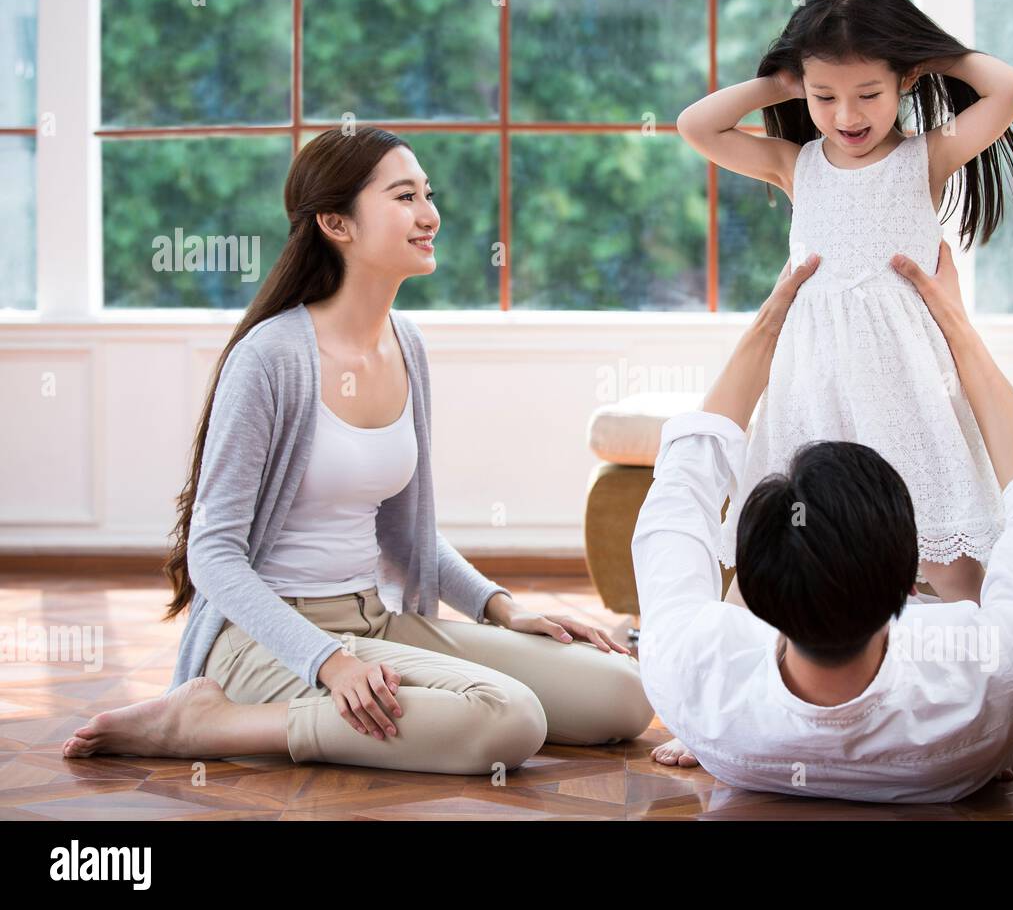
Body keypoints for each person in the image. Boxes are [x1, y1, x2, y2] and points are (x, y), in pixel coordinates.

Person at [63, 126, 653, 773]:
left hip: (373, 621)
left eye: (427, 194)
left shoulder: (407, 345)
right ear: (336, 223)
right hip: (269, 638)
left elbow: (405, 535)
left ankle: (306, 706)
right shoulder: (270, 358)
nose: (429, 215)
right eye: (403, 197)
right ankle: (208, 723)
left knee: (621, 696)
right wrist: (327, 662)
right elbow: (212, 552)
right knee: (507, 719)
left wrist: (501, 607)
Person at [671, 0, 1013, 770]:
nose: (846, 117)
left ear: (906, 82)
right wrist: (779, 79)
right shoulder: (795, 162)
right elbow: (697, 126)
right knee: (766, 558)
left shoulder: (928, 156)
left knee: (949, 562)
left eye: (870, 94)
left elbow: (1009, 87)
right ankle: (713, 711)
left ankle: (999, 721)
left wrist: (934, 54)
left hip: (905, 387)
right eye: (823, 96)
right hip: (812, 383)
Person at [631, 238, 1013, 802]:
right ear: (910, 578)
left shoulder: (692, 669)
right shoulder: (990, 669)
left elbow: (679, 493)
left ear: (756, 597)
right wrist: (957, 328)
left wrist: (769, 324)